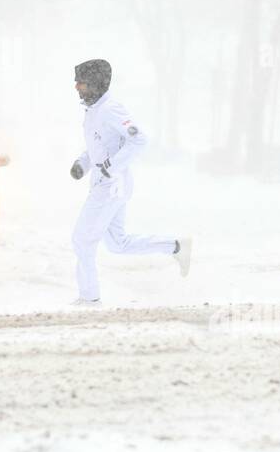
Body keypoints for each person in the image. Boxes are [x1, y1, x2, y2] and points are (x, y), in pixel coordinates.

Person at [68, 59, 190, 305]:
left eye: (81, 84)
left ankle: (89, 299)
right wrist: (83, 163)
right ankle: (176, 246)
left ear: (96, 84)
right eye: (76, 84)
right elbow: (100, 146)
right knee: (118, 244)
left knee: (82, 239)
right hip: (107, 183)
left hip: (112, 185)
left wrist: (112, 165)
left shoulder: (111, 109)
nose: (77, 89)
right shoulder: (94, 110)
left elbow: (139, 139)